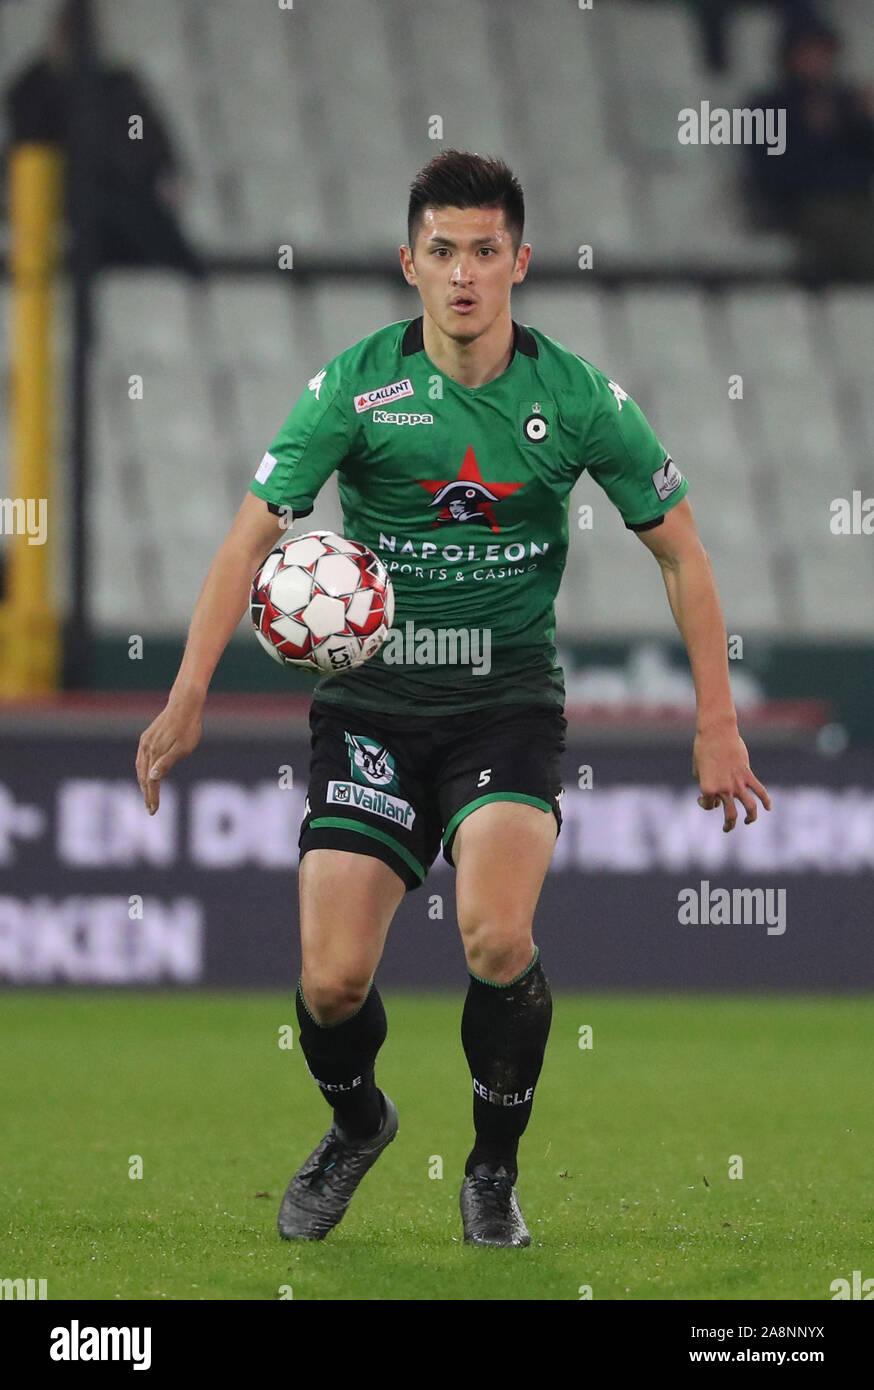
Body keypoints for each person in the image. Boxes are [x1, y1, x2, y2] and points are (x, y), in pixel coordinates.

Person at [135, 151, 771, 1248]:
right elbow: (251, 539)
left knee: (493, 933)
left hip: (506, 708)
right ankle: (359, 1121)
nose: (464, 274)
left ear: (519, 261)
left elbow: (684, 556)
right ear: (409, 264)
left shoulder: (574, 398)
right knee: (331, 983)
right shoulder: (355, 389)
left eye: (484, 251)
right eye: (442, 252)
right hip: (370, 711)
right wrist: (188, 690)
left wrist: (716, 721)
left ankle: (490, 1166)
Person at [3, 0, 202, 276]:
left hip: (123, 200)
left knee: (134, 207)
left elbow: (147, 140)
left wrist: (161, 171)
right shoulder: (32, 89)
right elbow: (27, 155)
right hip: (65, 201)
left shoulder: (120, 86)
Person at [743, 21, 874, 277]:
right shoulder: (768, 107)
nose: (816, 60)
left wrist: (866, 123)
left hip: (858, 203)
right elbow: (771, 175)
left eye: (821, 52)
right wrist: (816, 136)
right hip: (805, 207)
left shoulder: (845, 101)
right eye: (807, 52)